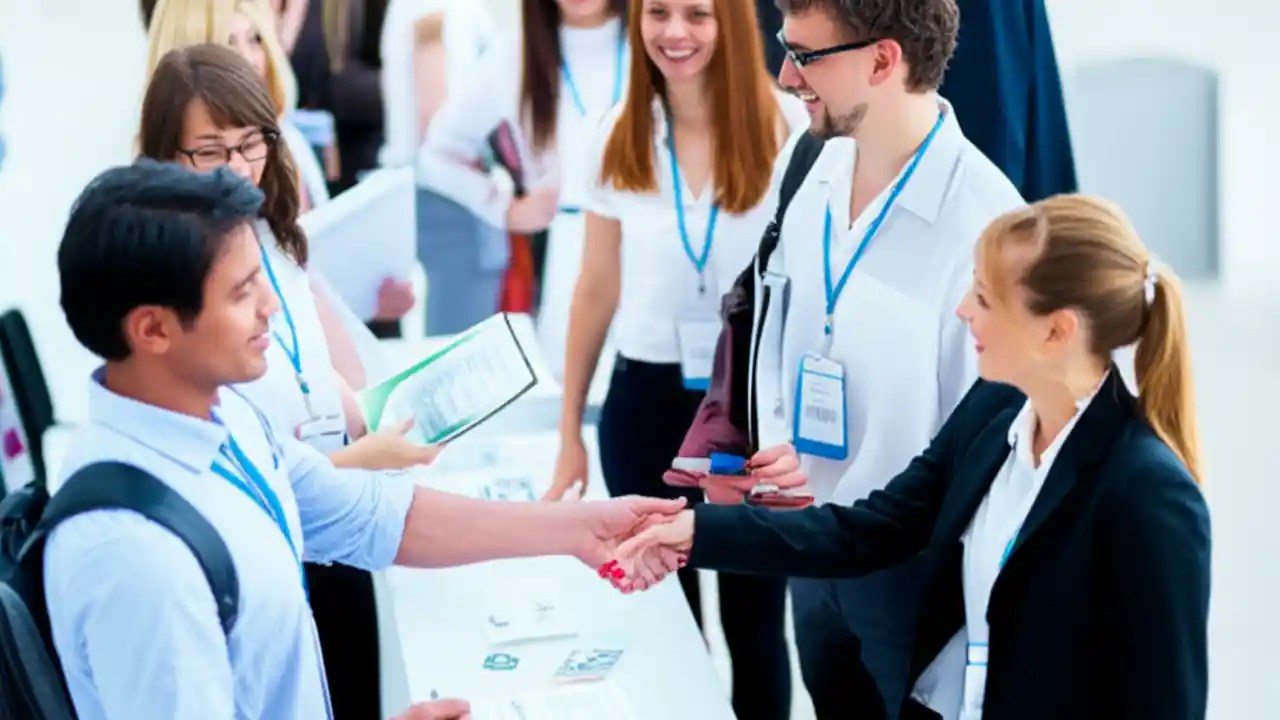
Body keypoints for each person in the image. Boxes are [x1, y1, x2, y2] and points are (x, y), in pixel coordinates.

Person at [44, 159, 687, 720]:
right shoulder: (133, 554)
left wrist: (574, 529)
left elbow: (371, 520)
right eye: (243, 292)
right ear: (153, 330)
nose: (272, 305)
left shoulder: (224, 417)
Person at [611, 194, 1212, 720]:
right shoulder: (996, 410)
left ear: (1055, 331)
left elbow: (1163, 705)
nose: (962, 313)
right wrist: (695, 530)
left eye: (983, 297)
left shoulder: (1146, 491)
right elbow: (872, 527)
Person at [666, 1, 1022, 717]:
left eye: (805, 55)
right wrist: (773, 448)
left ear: (884, 61)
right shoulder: (812, 163)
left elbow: (986, 449)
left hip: (911, 574)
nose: (786, 75)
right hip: (810, 541)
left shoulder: (989, 227)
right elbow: (777, 314)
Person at [138, 43, 418, 719]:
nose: (237, 167)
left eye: (251, 143)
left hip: (338, 538)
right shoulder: (173, 288)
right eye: (210, 150)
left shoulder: (271, 235)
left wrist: (387, 423)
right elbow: (215, 483)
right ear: (165, 157)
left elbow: (323, 373)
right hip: (269, 560)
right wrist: (357, 462)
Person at [545, 1, 805, 717]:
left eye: (698, 13)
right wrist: (568, 429)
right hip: (645, 404)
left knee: (755, 625)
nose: (675, 32)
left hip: (750, 408)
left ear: (732, 22)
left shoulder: (789, 130)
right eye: (657, 12)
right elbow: (595, 288)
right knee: (665, 625)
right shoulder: (614, 135)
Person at [146, 0, 416, 328]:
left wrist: (364, 302)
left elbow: (302, 279)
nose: (249, 58)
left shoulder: (287, 139)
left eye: (256, 39)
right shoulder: (178, 195)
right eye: (229, 42)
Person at [417, 0, 627, 357]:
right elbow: (438, 153)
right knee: (570, 389)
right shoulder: (514, 54)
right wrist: (504, 208)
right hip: (568, 250)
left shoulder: (655, 40)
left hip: (653, 244)